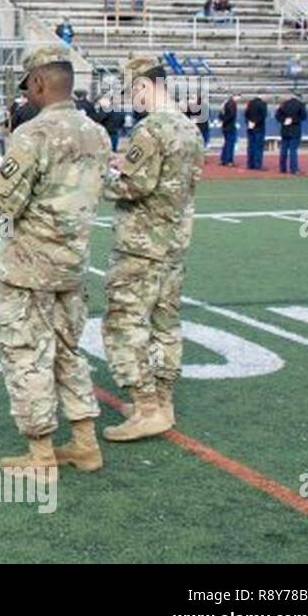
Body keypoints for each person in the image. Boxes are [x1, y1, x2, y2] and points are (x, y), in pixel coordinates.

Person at [0, 46, 109, 481]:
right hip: (72, 264)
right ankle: (85, 443)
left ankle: (41, 453)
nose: (27, 94)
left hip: (29, 268)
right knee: (69, 353)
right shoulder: (97, 134)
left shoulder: (33, 136)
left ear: (38, 83)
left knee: (27, 354)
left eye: (28, 85)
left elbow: (3, 202)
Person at [100, 56, 204, 442]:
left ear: (143, 86)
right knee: (165, 324)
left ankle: (145, 407)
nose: (131, 99)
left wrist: (103, 175)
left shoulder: (151, 130)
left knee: (123, 323)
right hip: (174, 243)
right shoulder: (189, 128)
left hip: (141, 246)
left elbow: (133, 186)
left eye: (131, 91)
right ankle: (162, 402)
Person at [275, 93, 306, 175]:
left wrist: (284, 120)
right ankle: (294, 168)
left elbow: (277, 116)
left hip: (285, 130)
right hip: (295, 130)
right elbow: (303, 117)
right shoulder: (300, 104)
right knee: (293, 150)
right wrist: (293, 120)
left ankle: (282, 168)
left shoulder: (283, 104)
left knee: (283, 150)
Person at [244, 94, 268, 170]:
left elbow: (246, 114)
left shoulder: (250, 103)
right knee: (258, 146)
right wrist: (255, 122)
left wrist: (249, 122)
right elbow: (263, 116)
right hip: (259, 127)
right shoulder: (263, 104)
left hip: (250, 127)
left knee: (251, 146)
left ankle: (250, 163)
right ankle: (258, 164)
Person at [218, 94, 239, 167]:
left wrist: (223, 120)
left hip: (225, 126)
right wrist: (225, 120)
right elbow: (232, 115)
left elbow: (220, 114)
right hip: (230, 126)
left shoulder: (225, 103)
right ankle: (229, 160)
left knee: (226, 143)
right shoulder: (232, 104)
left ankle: (223, 159)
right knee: (230, 143)